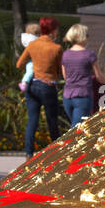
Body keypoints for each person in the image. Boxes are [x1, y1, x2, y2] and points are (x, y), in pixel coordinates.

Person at [16, 17, 63, 154]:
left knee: (32, 121)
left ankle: (28, 154)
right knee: (52, 121)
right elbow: (59, 71)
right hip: (47, 86)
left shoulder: (32, 45)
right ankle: (56, 153)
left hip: (32, 86)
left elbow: (19, 64)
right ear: (53, 31)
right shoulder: (56, 48)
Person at [60, 23, 105, 129]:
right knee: (77, 130)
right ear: (82, 37)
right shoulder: (89, 54)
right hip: (82, 97)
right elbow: (99, 77)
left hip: (67, 97)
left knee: (75, 127)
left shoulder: (65, 54)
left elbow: (65, 76)